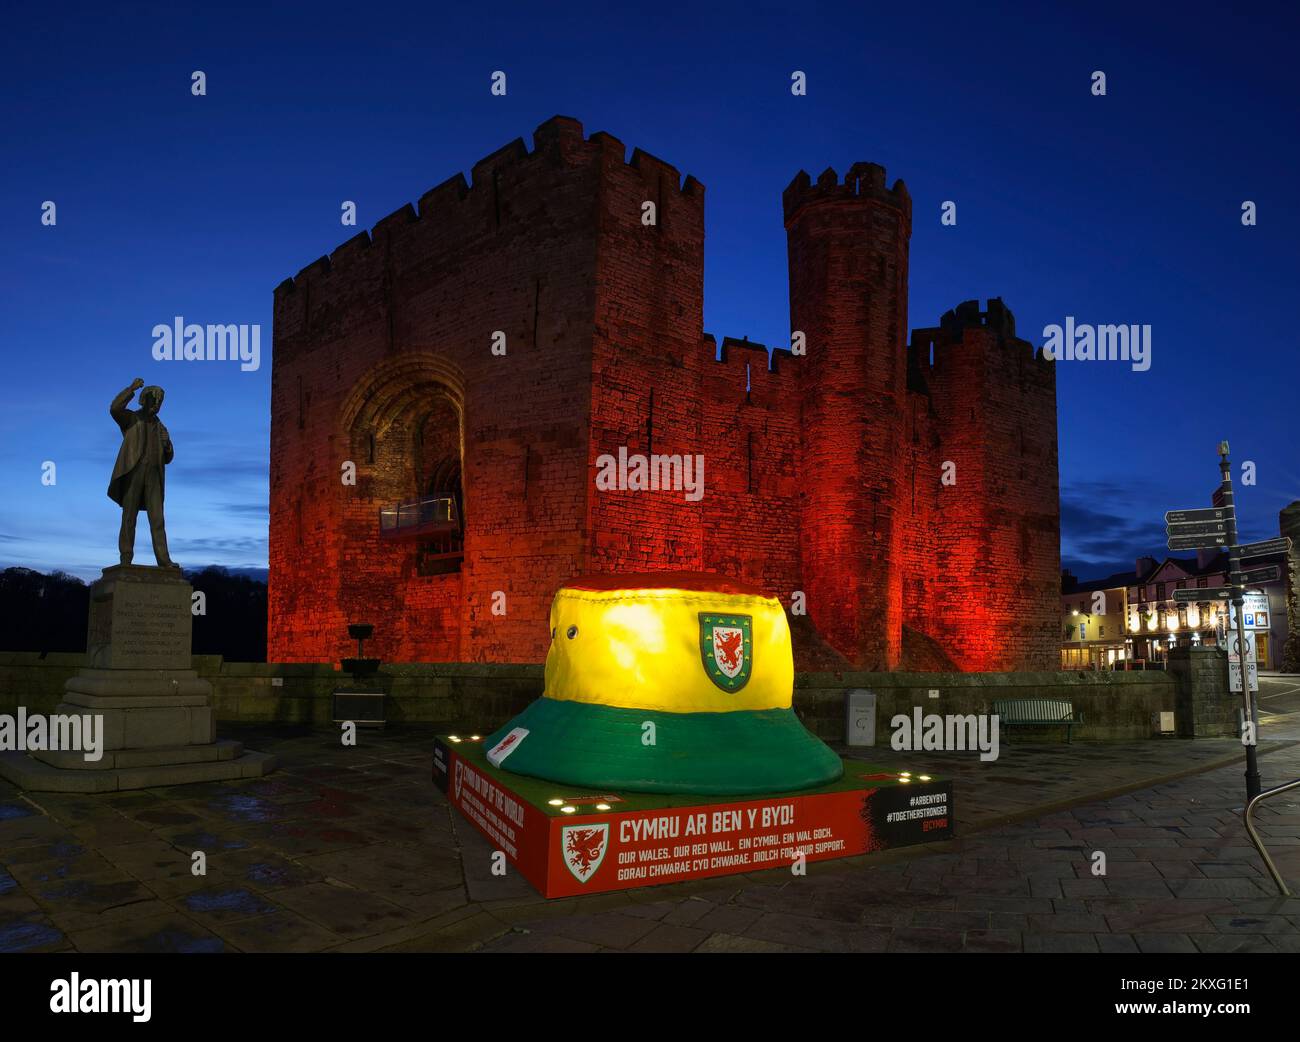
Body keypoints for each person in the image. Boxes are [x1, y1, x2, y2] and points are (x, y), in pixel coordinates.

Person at [108, 378, 177, 568]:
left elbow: (168, 458)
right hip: (134, 471)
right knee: (129, 517)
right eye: (154, 400)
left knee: (158, 519)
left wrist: (167, 444)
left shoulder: (161, 427)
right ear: (144, 400)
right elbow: (114, 409)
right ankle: (126, 557)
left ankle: (164, 560)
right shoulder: (131, 419)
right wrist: (131, 389)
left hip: (154, 476)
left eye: (160, 402)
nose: (157, 405)